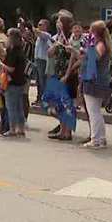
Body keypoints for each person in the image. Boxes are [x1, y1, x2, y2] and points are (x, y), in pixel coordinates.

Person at [42, 14, 80, 142]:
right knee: (58, 103)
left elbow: (72, 55)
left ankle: (68, 131)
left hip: (66, 74)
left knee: (67, 103)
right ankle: (62, 130)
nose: (57, 23)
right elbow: (50, 53)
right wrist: (56, 44)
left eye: (59, 21)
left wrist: (67, 74)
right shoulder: (57, 38)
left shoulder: (70, 38)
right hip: (57, 72)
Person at [80, 21, 112, 149]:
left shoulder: (100, 44)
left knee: (93, 111)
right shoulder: (98, 43)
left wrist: (89, 47)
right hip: (95, 77)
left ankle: (95, 140)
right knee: (96, 111)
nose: (88, 31)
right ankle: (102, 138)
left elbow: (97, 57)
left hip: (95, 79)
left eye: (90, 30)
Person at [1, 28, 29, 138]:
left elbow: (11, 68)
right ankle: (21, 128)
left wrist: (1, 65)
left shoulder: (13, 52)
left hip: (12, 81)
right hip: (21, 81)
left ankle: (12, 129)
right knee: (19, 106)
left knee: (11, 106)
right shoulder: (19, 50)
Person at [31, 19, 52, 106]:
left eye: (41, 25)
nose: (38, 26)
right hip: (37, 60)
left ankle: (44, 99)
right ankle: (39, 98)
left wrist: (30, 25)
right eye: (38, 25)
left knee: (43, 80)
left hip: (43, 60)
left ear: (46, 26)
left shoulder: (46, 35)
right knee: (38, 81)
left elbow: (37, 31)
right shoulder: (38, 37)